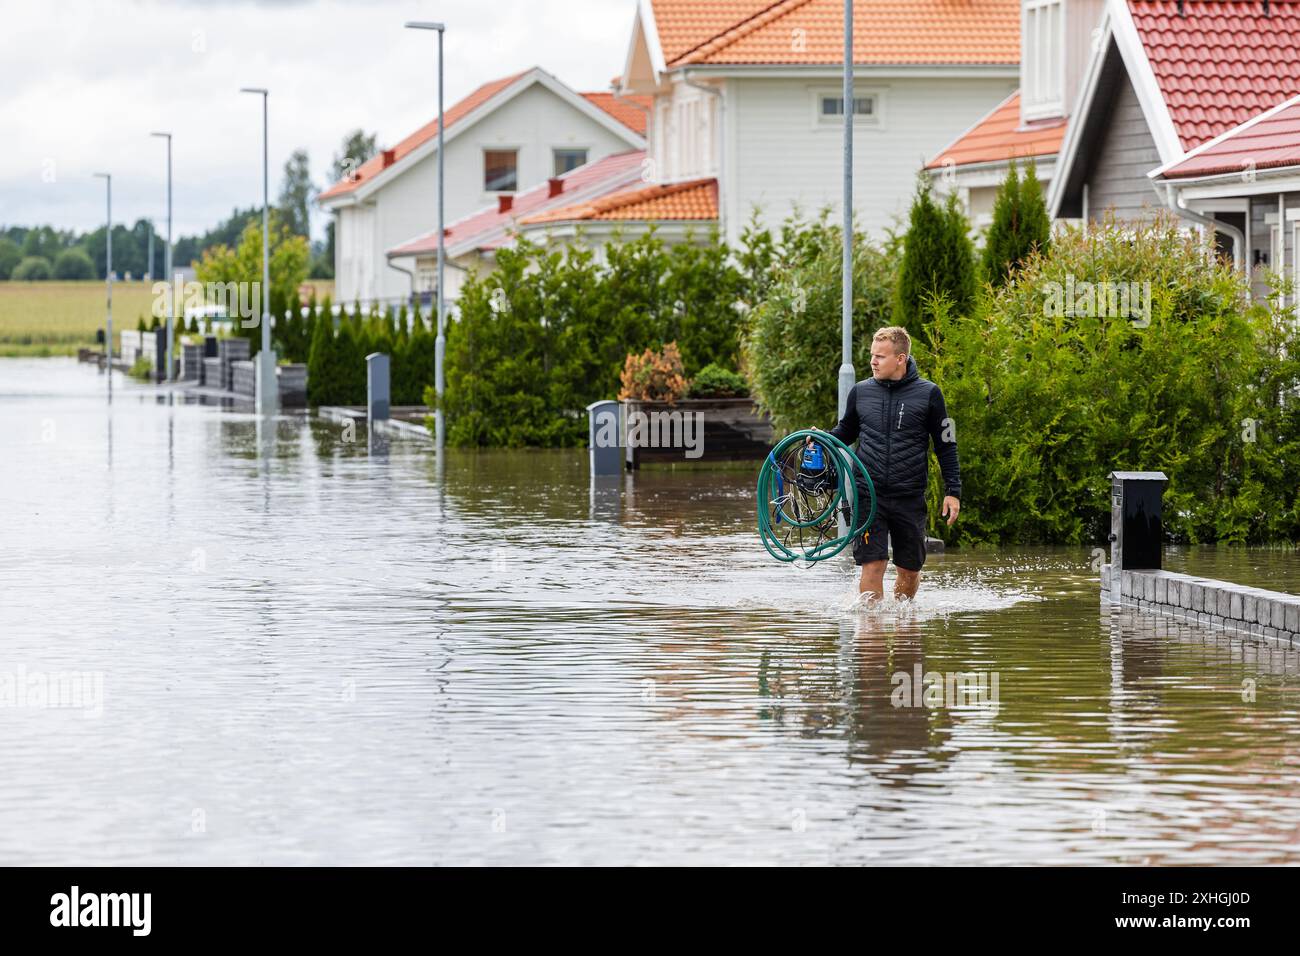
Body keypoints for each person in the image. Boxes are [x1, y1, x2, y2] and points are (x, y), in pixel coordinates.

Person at [820, 326, 961, 601]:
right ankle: (871, 632)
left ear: (901, 359)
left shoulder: (930, 394)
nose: (873, 361)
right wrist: (820, 438)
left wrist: (953, 490)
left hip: (909, 496)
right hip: (869, 495)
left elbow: (946, 445)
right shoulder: (861, 392)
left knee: (908, 570)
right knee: (873, 564)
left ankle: (904, 626)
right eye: (872, 355)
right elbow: (844, 433)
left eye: (880, 357)